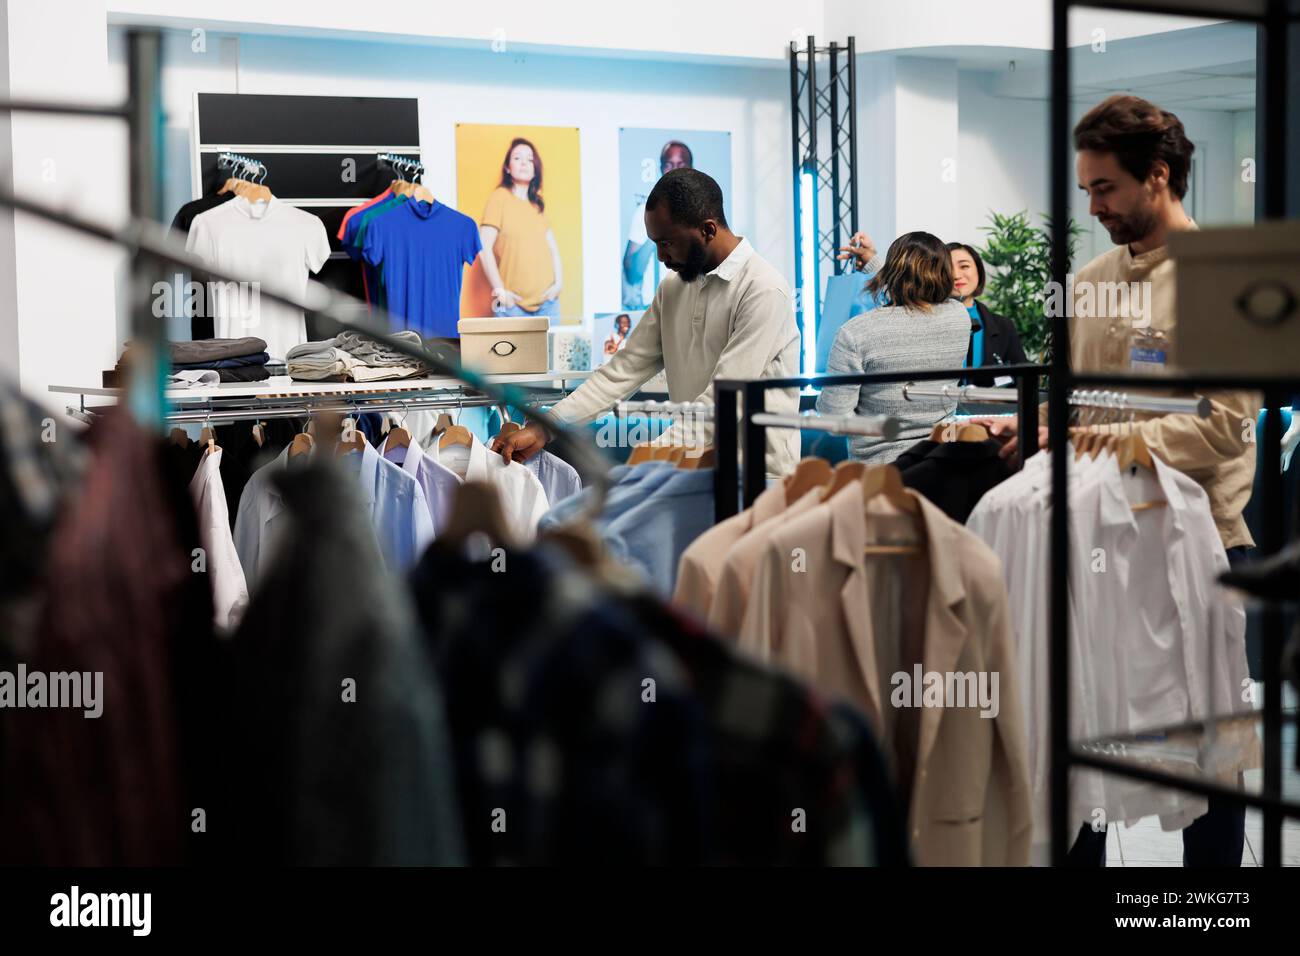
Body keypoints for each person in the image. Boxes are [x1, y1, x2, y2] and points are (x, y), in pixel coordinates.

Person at [978, 94, 1259, 868]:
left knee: (1210, 750)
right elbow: (1072, 407)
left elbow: (1219, 429)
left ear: (1157, 177)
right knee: (1082, 731)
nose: (1093, 205)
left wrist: (1080, 436)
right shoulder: (1091, 279)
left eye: (1104, 188)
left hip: (1201, 545)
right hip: (1089, 538)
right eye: (1087, 191)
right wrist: (1033, 432)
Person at [493, 168, 800, 477]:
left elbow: (722, 403)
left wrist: (649, 459)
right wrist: (546, 427)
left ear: (707, 230)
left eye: (667, 243)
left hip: (761, 480)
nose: (660, 256)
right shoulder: (673, 287)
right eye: (655, 243)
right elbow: (621, 372)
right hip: (693, 473)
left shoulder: (762, 289)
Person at [817, 231, 971, 464]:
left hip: (881, 472)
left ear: (892, 274)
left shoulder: (856, 332)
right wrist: (876, 263)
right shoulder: (959, 317)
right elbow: (920, 293)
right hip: (942, 460)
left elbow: (834, 419)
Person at [477, 137, 563, 318]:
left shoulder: (537, 205)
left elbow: (553, 250)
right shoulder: (499, 198)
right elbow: (484, 248)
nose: (524, 163)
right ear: (507, 168)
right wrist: (500, 291)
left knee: (550, 348)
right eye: (517, 158)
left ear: (535, 169)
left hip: (548, 305)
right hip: (512, 308)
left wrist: (558, 285)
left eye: (529, 159)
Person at [622, 140, 694, 309]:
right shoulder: (645, 211)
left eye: (680, 164)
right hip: (654, 308)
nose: (674, 170)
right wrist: (657, 231)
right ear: (661, 169)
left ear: (691, 169)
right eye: (668, 164)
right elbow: (631, 272)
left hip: (692, 308)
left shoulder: (704, 212)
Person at [946, 242, 1028, 385]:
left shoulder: (1003, 326)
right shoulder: (927, 321)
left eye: (964, 266)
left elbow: (1023, 379)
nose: (956, 275)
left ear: (978, 271)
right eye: (946, 269)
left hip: (991, 407)